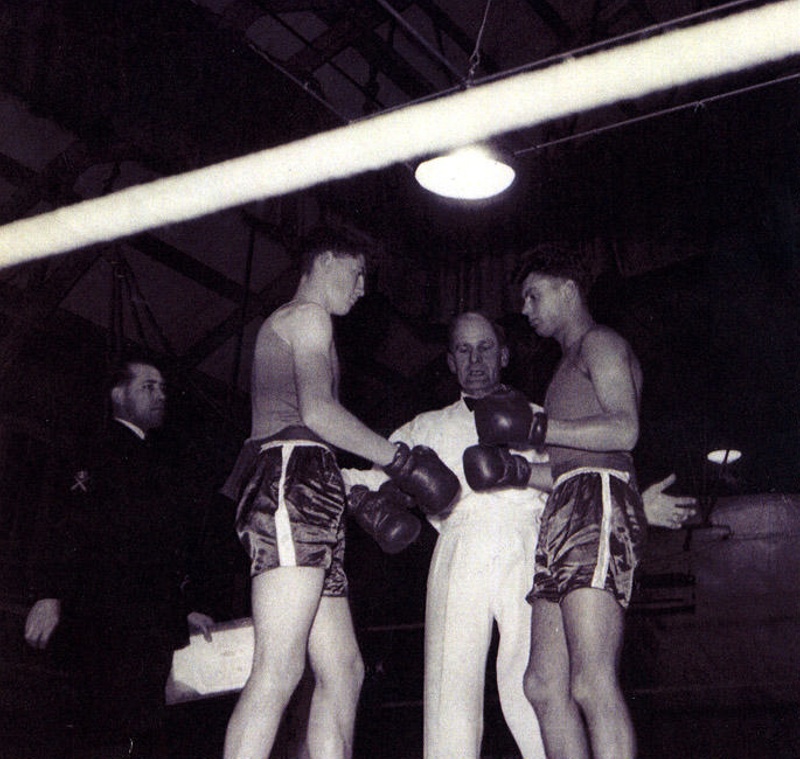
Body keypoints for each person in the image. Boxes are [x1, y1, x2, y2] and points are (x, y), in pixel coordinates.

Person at [346, 311, 695, 759]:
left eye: (486, 347)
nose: (475, 359)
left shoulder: (540, 417)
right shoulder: (423, 427)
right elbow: (365, 477)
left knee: (537, 689)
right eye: (463, 350)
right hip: (459, 543)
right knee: (449, 690)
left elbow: (582, 478)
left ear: (505, 354)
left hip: (534, 544)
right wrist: (356, 496)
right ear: (450, 361)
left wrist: (636, 504)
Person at [220, 226, 459, 759]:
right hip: (292, 476)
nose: (361, 289)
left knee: (345, 669)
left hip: (312, 484)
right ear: (326, 261)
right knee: (279, 667)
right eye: (356, 275)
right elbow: (318, 414)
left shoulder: (300, 324)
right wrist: (398, 459)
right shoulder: (306, 316)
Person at [24, 358, 216, 758]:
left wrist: (184, 609)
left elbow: (162, 550)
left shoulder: (162, 461)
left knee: (145, 732)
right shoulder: (90, 448)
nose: (161, 396)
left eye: (163, 388)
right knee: (103, 731)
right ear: (118, 393)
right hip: (104, 620)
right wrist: (49, 593)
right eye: (149, 387)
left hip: (152, 628)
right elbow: (63, 523)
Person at [511, 242, 646, 759]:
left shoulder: (600, 343)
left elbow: (624, 429)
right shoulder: (561, 368)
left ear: (568, 290)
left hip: (600, 501)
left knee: (591, 681)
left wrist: (540, 426)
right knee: (544, 685)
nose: (526, 310)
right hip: (566, 503)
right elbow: (566, 463)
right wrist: (518, 470)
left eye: (534, 295)